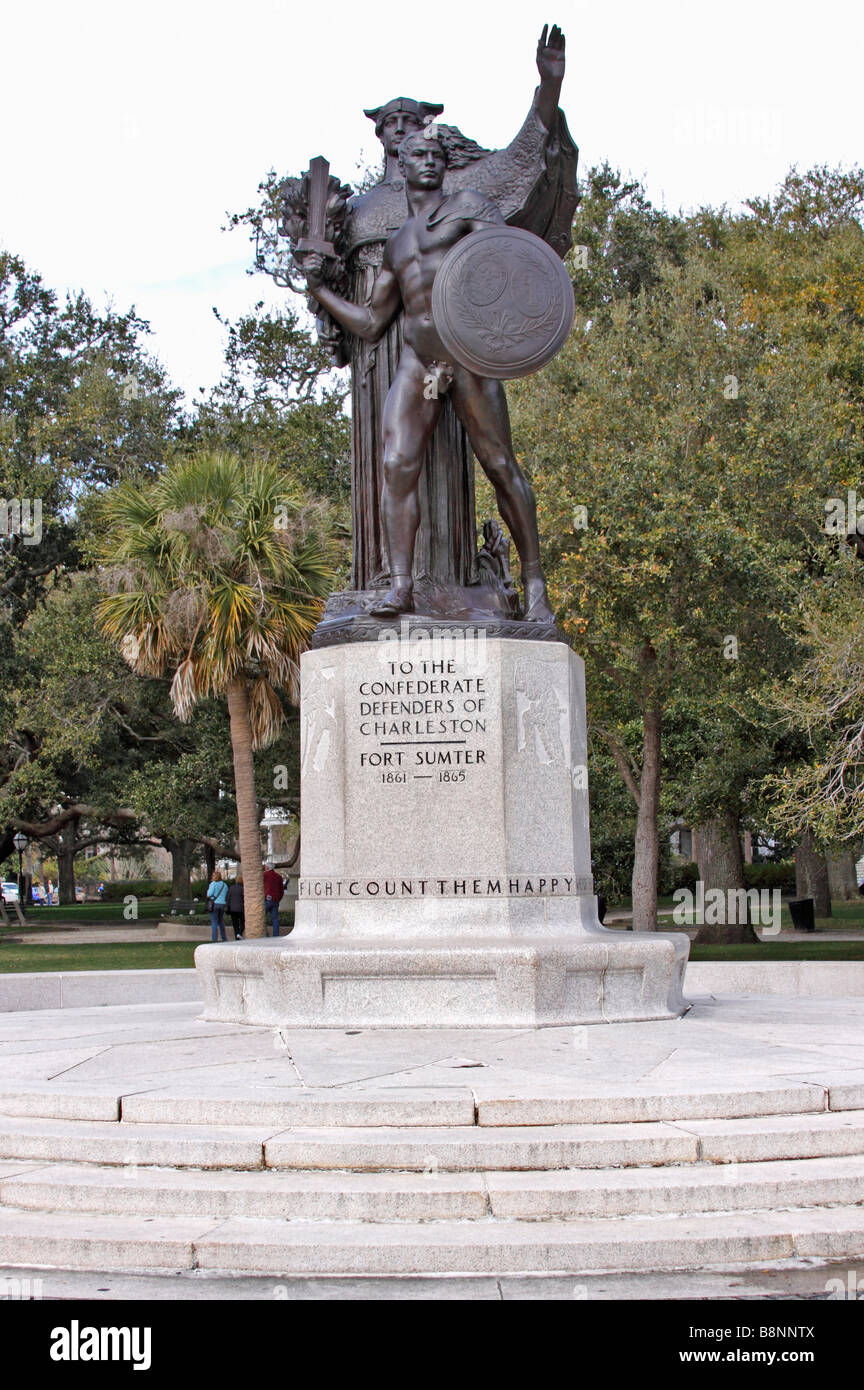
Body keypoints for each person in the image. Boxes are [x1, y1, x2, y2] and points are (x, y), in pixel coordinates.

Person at [302, 129, 554, 622]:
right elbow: (372, 323)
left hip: (467, 354)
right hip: (419, 361)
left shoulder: (469, 207)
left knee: (501, 465)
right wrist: (318, 289)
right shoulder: (398, 244)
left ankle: (535, 583)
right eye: (419, 154)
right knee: (395, 463)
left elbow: (505, 267)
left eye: (437, 155)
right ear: (401, 161)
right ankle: (400, 588)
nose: (430, 163)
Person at [263, 864, 285, 938]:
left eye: (265, 866)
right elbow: (282, 890)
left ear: (267, 867)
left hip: (266, 899)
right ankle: (276, 935)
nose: (264, 867)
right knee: (275, 919)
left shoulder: (264, 875)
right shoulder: (278, 877)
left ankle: (265, 934)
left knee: (261, 917)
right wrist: (278, 899)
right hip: (275, 900)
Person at [206, 870, 229, 942]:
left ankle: (214, 938)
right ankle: (224, 938)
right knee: (221, 921)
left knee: (214, 922)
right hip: (222, 904)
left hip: (214, 904)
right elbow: (226, 893)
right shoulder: (224, 885)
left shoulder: (213, 884)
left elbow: (209, 894)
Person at [227, 874, 245, 940]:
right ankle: (239, 933)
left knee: (235, 924)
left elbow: (228, 898)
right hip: (241, 909)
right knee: (243, 922)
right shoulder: (243, 888)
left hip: (232, 909)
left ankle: (236, 936)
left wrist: (228, 907)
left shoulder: (231, 888)